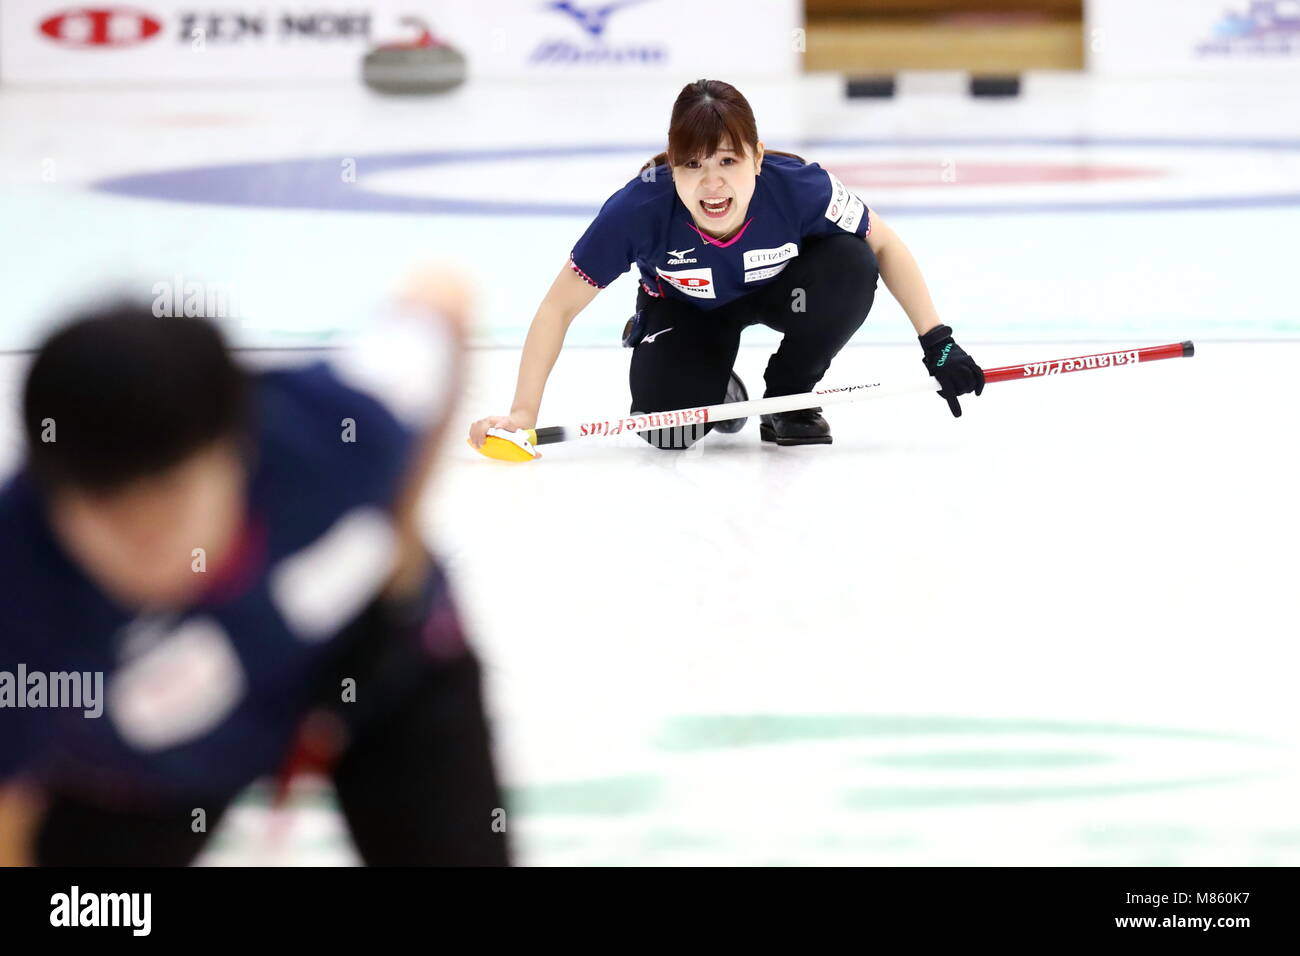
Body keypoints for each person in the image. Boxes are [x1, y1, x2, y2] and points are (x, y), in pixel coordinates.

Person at [0, 268, 509, 866]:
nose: (143, 549)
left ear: (238, 450)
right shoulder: (19, 592)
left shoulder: (334, 428)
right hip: (146, 768)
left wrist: (399, 537)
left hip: (383, 676)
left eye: (168, 505)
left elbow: (442, 297)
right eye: (106, 515)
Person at [469, 78, 984, 452]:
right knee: (666, 430)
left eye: (728, 161)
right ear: (672, 163)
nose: (712, 184)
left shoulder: (800, 187)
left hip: (783, 291)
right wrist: (522, 415)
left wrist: (937, 344)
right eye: (692, 164)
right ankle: (714, 381)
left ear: (757, 158)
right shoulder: (637, 210)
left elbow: (886, 244)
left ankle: (789, 397)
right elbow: (558, 308)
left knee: (852, 261)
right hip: (687, 308)